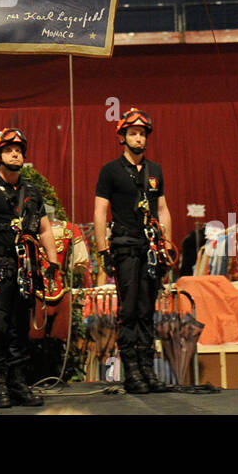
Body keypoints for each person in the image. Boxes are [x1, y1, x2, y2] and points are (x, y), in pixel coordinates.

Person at [0, 127, 61, 409]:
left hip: (28, 269)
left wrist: (54, 261)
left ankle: (19, 384)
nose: (16, 154)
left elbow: (45, 229)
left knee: (21, 329)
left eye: (19, 150)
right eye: (9, 150)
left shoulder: (32, 191)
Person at [94, 107, 174, 394]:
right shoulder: (110, 171)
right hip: (125, 246)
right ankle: (131, 373)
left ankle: (147, 369)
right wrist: (102, 248)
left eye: (142, 134)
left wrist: (167, 244)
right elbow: (100, 211)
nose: (138, 138)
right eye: (133, 133)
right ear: (122, 137)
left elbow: (163, 210)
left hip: (150, 248)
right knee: (128, 310)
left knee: (146, 310)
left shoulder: (155, 171)